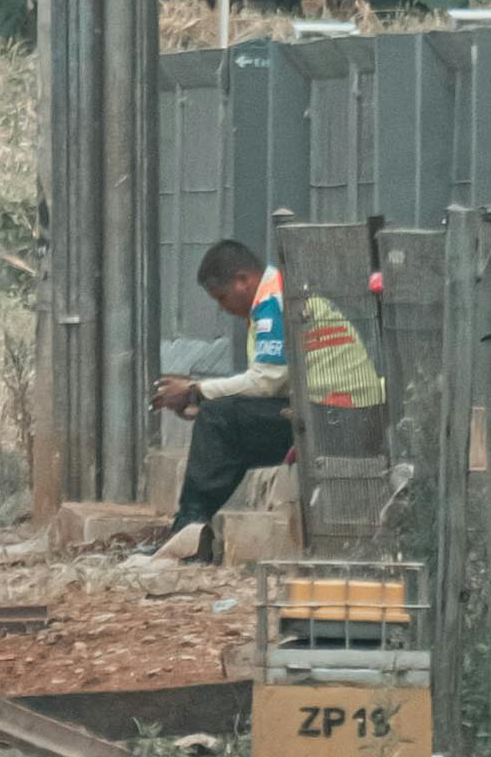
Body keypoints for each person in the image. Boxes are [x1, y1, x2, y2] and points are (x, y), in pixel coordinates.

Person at [157, 229, 383, 550]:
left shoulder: (272, 302)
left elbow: (265, 381)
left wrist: (196, 391)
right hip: (338, 415)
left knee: (220, 420)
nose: (223, 308)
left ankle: (187, 531)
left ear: (243, 280)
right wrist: (207, 400)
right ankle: (191, 532)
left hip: (334, 419)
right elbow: (275, 382)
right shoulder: (278, 294)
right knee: (222, 425)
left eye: (222, 297)